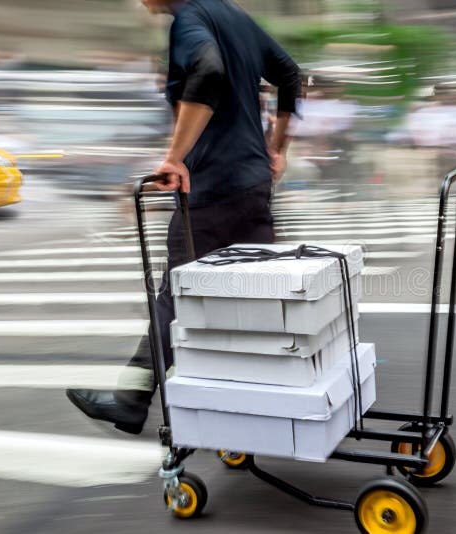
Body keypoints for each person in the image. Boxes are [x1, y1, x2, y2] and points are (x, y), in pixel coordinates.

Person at [67, 0, 300, 434]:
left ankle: (131, 399)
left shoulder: (189, 22)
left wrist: (174, 157)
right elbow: (289, 73)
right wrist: (277, 148)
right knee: (258, 295)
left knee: (176, 295)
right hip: (253, 185)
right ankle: (267, 399)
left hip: (211, 191)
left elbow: (209, 70)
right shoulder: (233, 16)